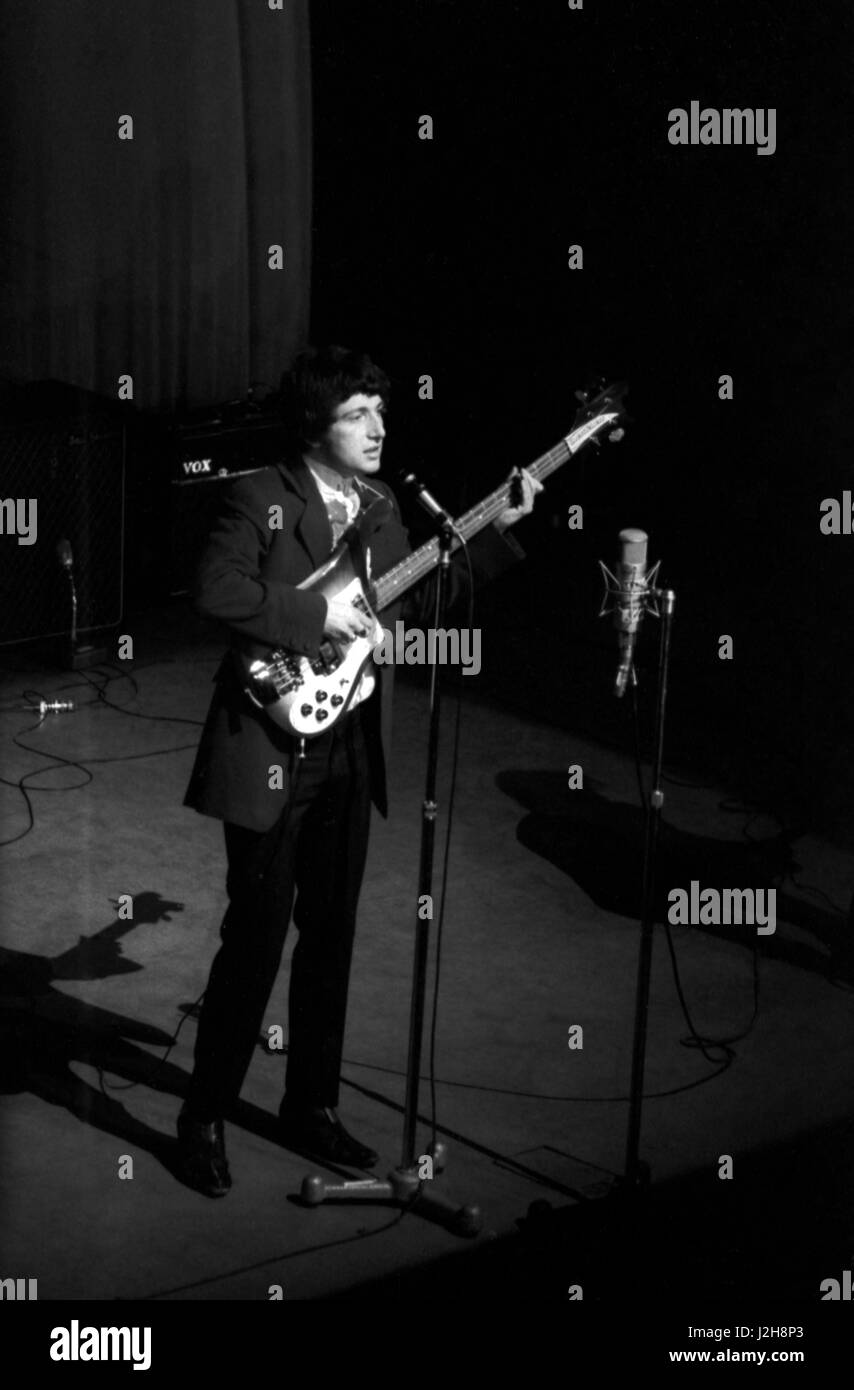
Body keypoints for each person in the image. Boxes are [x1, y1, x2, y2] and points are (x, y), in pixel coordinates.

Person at [178, 344, 541, 1196]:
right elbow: (216, 591)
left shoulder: (380, 505)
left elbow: (418, 600)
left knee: (332, 933)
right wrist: (323, 620)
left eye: (381, 410)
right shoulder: (259, 495)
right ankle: (202, 1117)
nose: (379, 427)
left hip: (347, 745)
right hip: (268, 747)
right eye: (357, 414)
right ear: (315, 423)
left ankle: (312, 1107)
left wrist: (498, 534)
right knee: (255, 940)